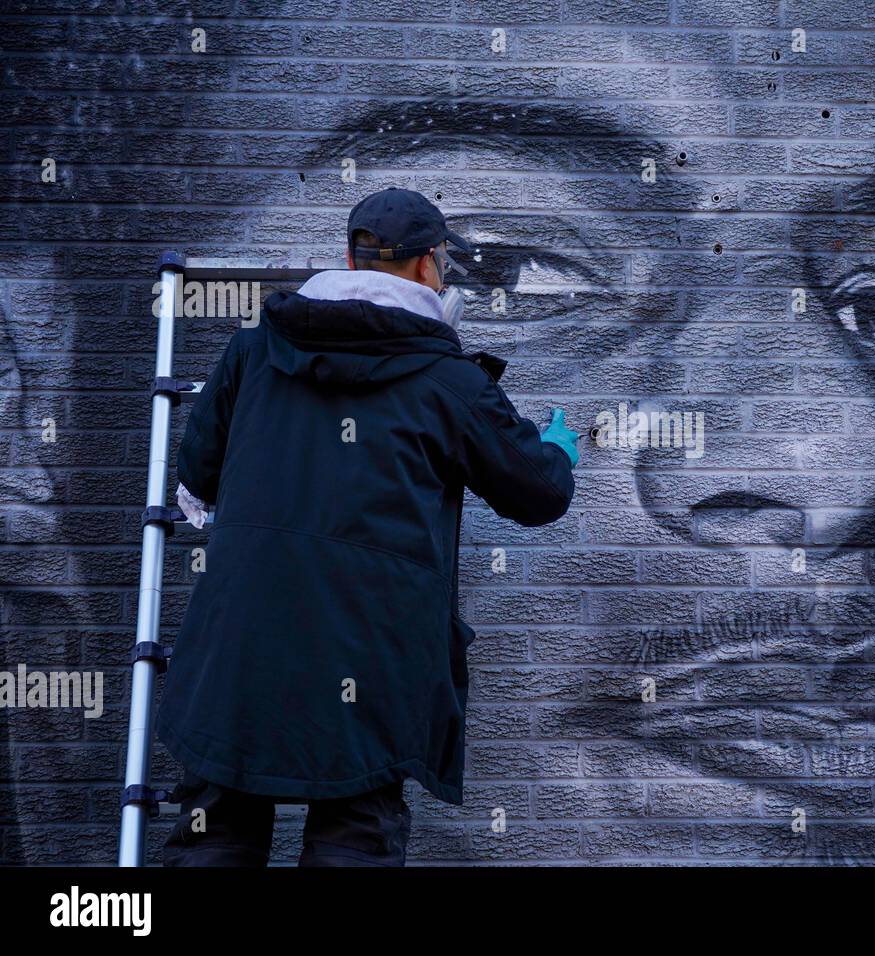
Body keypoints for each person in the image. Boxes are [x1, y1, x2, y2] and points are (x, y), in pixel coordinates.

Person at [155, 187, 580, 866]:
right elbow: (539, 494)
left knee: (219, 831)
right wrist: (558, 448)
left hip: (239, 645)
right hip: (371, 654)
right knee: (354, 834)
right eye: (442, 262)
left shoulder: (254, 352)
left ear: (348, 259)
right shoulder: (449, 383)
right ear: (425, 266)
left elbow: (197, 477)